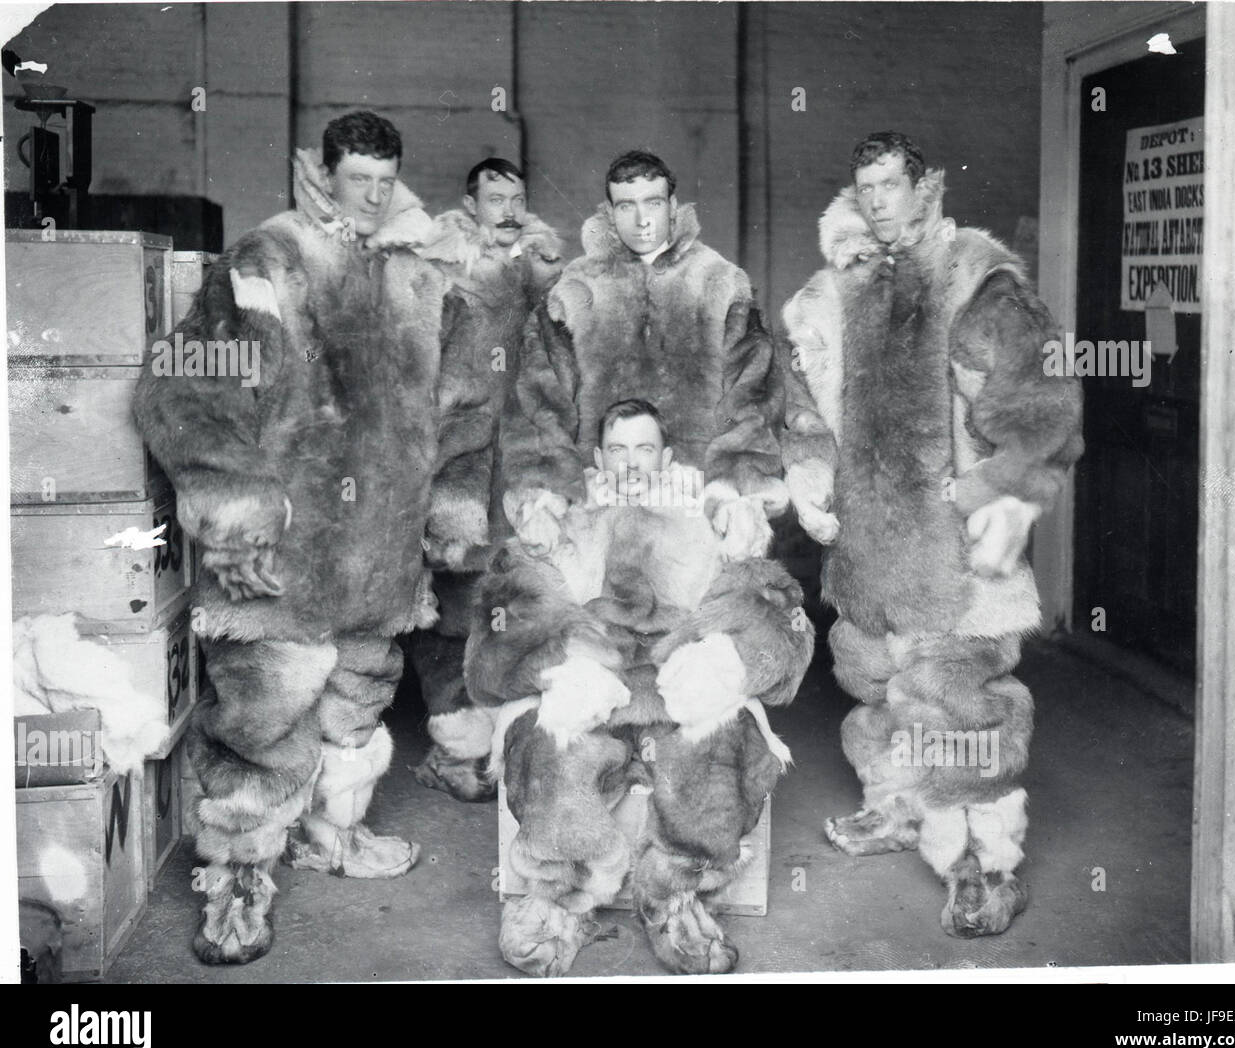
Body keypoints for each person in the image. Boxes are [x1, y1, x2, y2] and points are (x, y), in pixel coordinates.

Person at [134, 111, 488, 964]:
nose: (372, 194)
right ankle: (238, 886)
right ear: (324, 173)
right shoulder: (266, 262)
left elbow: (467, 409)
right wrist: (234, 511)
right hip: (277, 567)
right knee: (262, 724)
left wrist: (451, 507)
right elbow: (182, 388)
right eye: (357, 177)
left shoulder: (426, 280)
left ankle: (335, 835)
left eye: (385, 178)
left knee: (358, 702)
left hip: (379, 557)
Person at [419, 149, 792, 803]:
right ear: (609, 211)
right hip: (596, 516)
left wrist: (740, 488)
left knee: (727, 642)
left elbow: (754, 397)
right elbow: (538, 405)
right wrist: (542, 493)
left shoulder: (722, 286)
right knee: (549, 627)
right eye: (627, 205)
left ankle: (683, 758)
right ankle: (586, 744)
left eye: (654, 203)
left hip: (691, 522)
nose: (642, 219)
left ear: (674, 208)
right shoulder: (573, 294)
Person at [781, 131, 1083, 937]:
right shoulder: (833, 292)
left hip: (960, 557)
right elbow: (804, 412)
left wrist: (988, 490)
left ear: (929, 186)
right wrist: (814, 493)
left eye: (892, 185)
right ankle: (896, 811)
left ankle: (985, 866)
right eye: (866, 187)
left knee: (959, 706)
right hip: (870, 550)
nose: (878, 201)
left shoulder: (979, 284)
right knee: (877, 686)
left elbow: (1044, 409)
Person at [441, 398, 811, 976]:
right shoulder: (556, 525)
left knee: (721, 743)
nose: (632, 463)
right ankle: (557, 904)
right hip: (594, 697)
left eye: (644, 448)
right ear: (597, 457)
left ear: (666, 457)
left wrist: (725, 664)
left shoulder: (710, 524)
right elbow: (491, 642)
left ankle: (675, 900)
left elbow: (785, 622)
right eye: (618, 449)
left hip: (674, 697)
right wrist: (559, 663)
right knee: (548, 742)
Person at [392, 159, 565, 790]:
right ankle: (455, 747)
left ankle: (510, 746)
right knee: (448, 602)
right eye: (495, 197)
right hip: (455, 459)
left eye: (517, 197)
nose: (508, 208)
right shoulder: (441, 267)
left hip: (516, 460)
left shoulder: (543, 270)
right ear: (471, 203)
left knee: (515, 599)